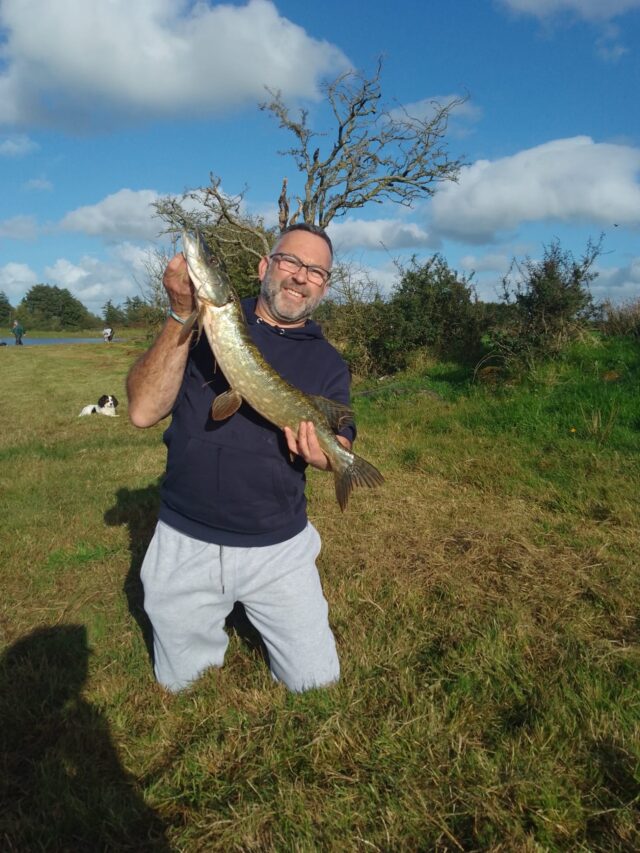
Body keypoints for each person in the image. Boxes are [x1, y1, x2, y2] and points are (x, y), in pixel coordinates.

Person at [126, 223, 355, 693]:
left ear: (324, 287)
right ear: (263, 266)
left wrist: (335, 457)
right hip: (185, 537)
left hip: (278, 547)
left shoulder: (329, 362)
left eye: (315, 270)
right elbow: (143, 411)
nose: (300, 276)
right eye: (290, 261)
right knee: (181, 685)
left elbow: (342, 436)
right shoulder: (205, 321)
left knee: (318, 684)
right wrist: (179, 313)